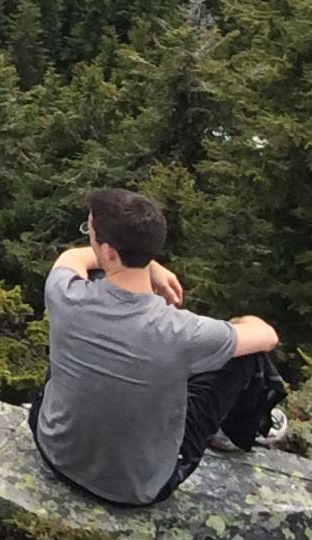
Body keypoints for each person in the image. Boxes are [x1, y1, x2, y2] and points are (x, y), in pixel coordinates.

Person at [30, 186, 284, 508]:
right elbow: (267, 336)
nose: (88, 240)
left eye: (89, 232)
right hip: (138, 489)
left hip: (55, 453)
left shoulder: (65, 295)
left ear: (107, 251)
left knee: (79, 332)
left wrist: (149, 267)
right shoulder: (182, 332)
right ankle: (237, 431)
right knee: (247, 357)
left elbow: (72, 258)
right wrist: (241, 321)